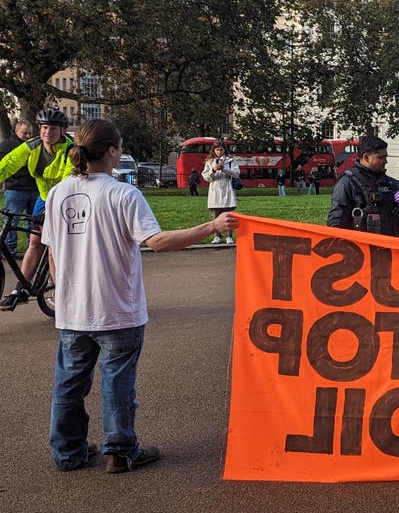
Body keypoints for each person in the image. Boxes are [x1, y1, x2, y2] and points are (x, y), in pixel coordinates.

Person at [43, 119, 240, 472]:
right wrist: (212, 226)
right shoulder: (123, 194)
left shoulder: (58, 193)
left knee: (69, 385)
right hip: (117, 307)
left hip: (73, 309)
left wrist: (63, 290)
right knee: (117, 383)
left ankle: (68, 452)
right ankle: (120, 450)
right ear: (112, 151)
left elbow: (52, 251)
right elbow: (157, 242)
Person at [0, 109, 74, 311]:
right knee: (34, 242)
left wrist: (51, 211)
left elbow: (68, 182)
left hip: (65, 200)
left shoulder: (71, 151)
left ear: (62, 130)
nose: (48, 132)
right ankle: (20, 289)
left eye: (53, 128)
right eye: (44, 127)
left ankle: (63, 299)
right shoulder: (32, 146)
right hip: (44, 198)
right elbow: (7, 165)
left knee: (52, 249)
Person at [327, 135, 399, 236]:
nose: (386, 161)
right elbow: (335, 225)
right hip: (362, 245)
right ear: (366, 157)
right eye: (381, 157)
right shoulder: (347, 183)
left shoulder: (390, 183)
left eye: (385, 157)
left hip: (388, 244)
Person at [2, 119, 36, 256]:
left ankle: (31, 248)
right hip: (15, 189)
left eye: (30, 133)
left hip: (34, 189)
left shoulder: (35, 145)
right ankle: (9, 249)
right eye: (24, 133)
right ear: (16, 131)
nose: (28, 136)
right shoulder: (7, 146)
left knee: (33, 222)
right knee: (11, 221)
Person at [201, 142, 240, 244]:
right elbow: (206, 177)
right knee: (216, 214)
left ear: (224, 150)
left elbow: (236, 174)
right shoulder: (209, 161)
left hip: (227, 187)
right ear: (214, 150)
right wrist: (213, 170)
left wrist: (224, 169)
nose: (219, 152)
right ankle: (217, 236)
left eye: (221, 150)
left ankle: (229, 236)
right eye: (217, 150)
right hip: (215, 189)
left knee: (228, 213)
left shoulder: (230, 160)